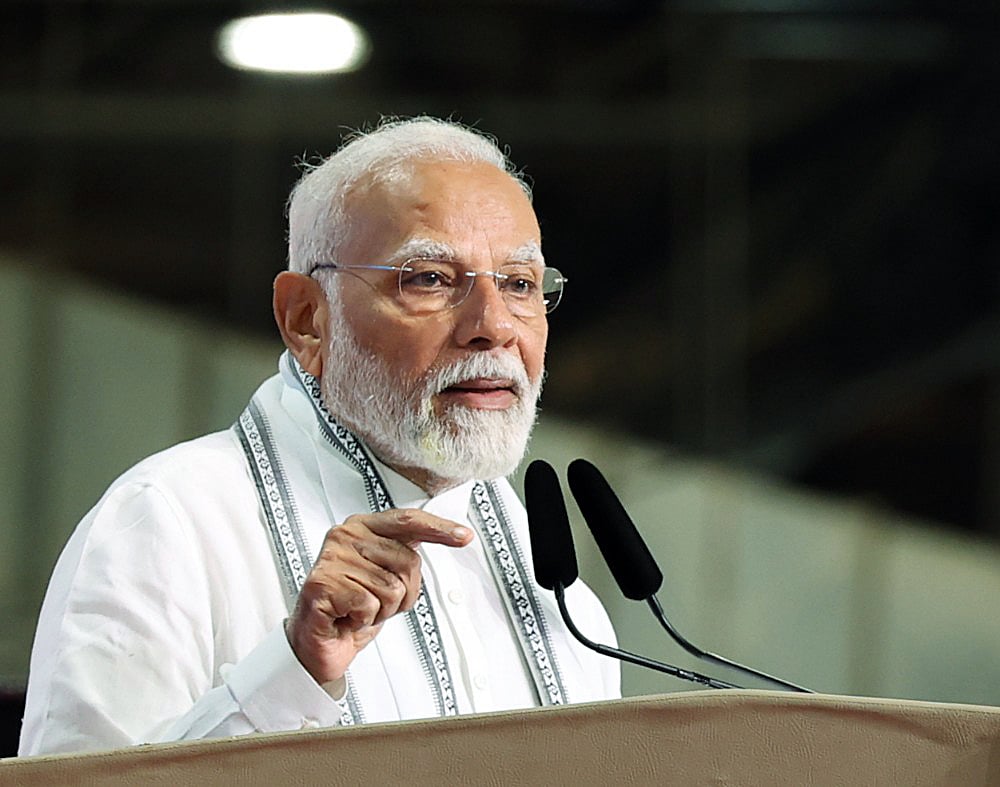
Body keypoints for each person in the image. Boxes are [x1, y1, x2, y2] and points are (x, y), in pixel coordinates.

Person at [18, 117, 620, 756]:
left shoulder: (557, 593)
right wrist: (293, 672)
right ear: (307, 319)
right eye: (430, 279)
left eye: (520, 284)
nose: (494, 326)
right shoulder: (168, 520)